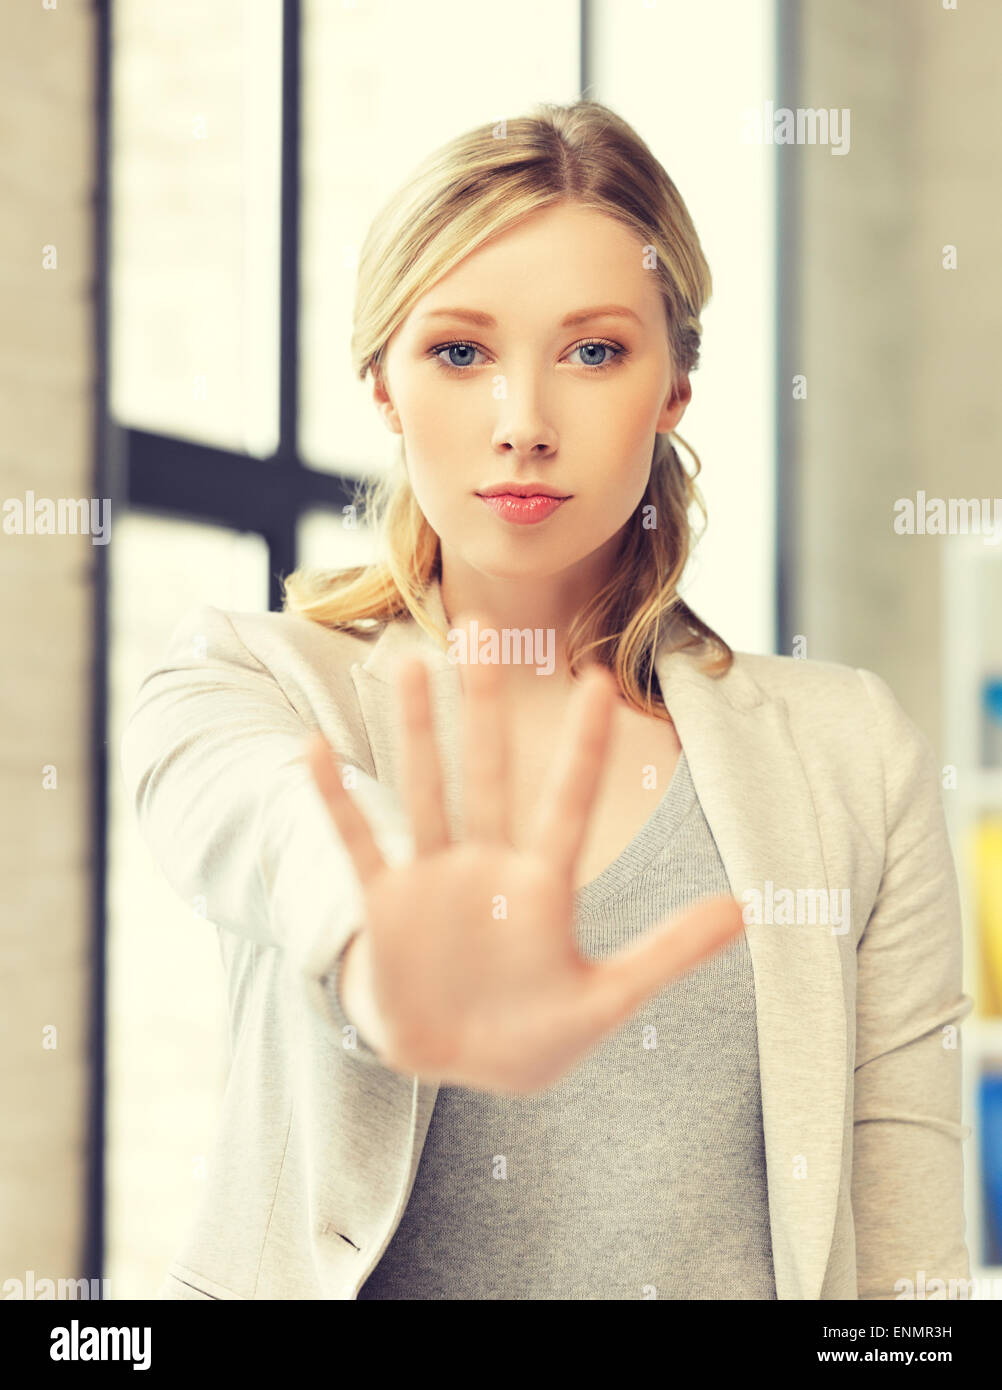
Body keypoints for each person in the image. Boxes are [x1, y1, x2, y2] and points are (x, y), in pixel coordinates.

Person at [121, 99, 972, 1301]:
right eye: (460, 352)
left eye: (593, 351)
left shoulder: (854, 753)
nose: (523, 425)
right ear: (382, 385)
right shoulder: (248, 681)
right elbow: (263, 825)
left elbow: (908, 1268)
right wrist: (382, 949)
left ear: (674, 385)